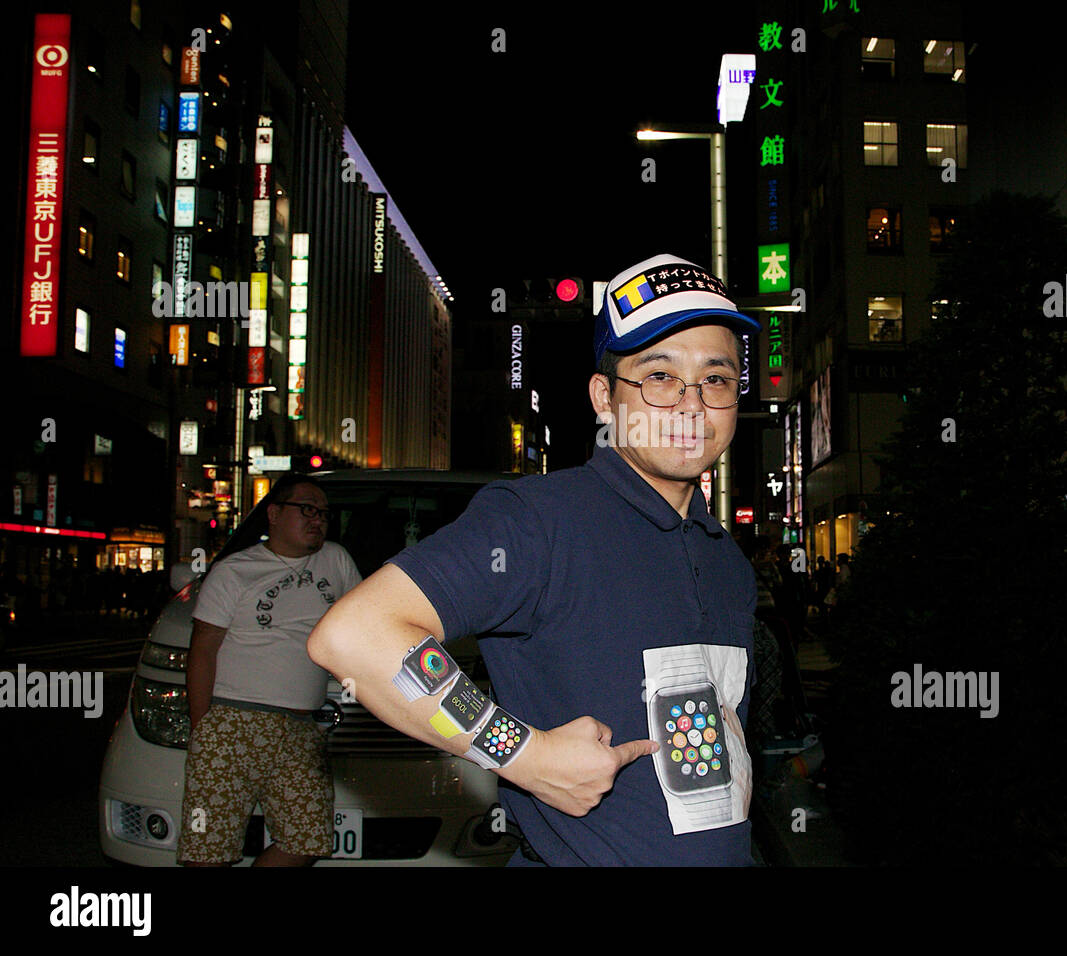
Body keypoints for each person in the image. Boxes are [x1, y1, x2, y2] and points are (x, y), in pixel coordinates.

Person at [309, 253, 762, 865]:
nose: (690, 405)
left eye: (716, 379)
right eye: (658, 376)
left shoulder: (726, 558)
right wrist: (524, 754)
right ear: (605, 398)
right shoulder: (540, 519)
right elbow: (357, 635)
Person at [177, 474, 361, 866]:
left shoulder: (336, 560)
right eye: (307, 509)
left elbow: (363, 623)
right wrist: (202, 728)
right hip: (233, 720)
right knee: (209, 846)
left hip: (301, 725)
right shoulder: (235, 571)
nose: (318, 519)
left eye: (324, 513)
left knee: (307, 837)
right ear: (274, 513)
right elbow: (203, 649)